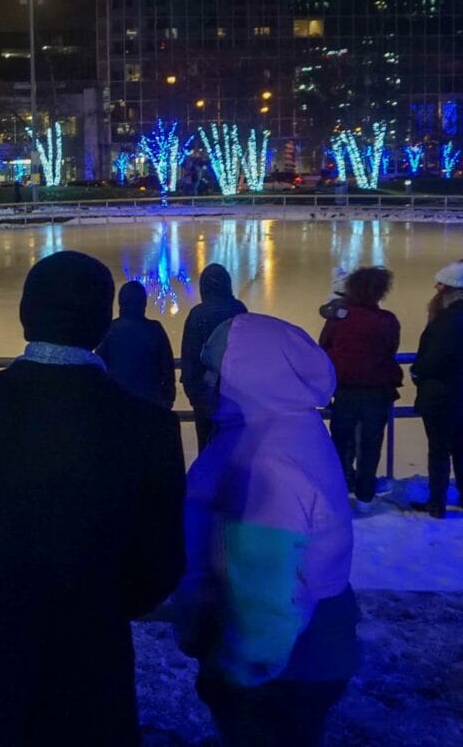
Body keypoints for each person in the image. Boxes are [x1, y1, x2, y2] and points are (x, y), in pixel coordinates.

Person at [0, 251, 186, 745]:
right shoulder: (150, 427)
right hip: (97, 656)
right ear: (104, 321)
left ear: (24, 316)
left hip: (3, 646)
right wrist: (102, 601)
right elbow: (162, 561)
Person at [174, 313, 359, 747]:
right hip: (307, 648)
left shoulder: (268, 461)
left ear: (248, 373)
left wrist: (238, 672)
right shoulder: (286, 427)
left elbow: (266, 590)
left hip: (285, 660)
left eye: (214, 368)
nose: (204, 379)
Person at [409, 258, 463, 518]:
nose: (435, 287)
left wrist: (417, 371)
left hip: (442, 394)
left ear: (449, 288)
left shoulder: (448, 319)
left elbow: (435, 358)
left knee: (440, 449)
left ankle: (437, 503)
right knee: (462, 446)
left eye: (439, 284)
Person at [319, 266, 402, 505]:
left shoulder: (339, 319)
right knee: (370, 444)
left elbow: (324, 347)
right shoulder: (388, 321)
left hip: (345, 389)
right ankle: (366, 494)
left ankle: (340, 490)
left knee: (342, 441)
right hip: (377, 391)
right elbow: (390, 349)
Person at [180, 263, 248, 450]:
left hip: (206, 396)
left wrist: (194, 394)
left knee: (207, 448)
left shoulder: (198, 315)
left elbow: (190, 357)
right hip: (235, 396)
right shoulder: (238, 309)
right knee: (235, 450)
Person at [97, 280, 177, 409]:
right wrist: (168, 396)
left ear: (120, 303)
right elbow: (167, 367)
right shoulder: (155, 330)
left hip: (117, 403)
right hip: (150, 401)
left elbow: (98, 366)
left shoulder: (109, 330)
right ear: (144, 303)